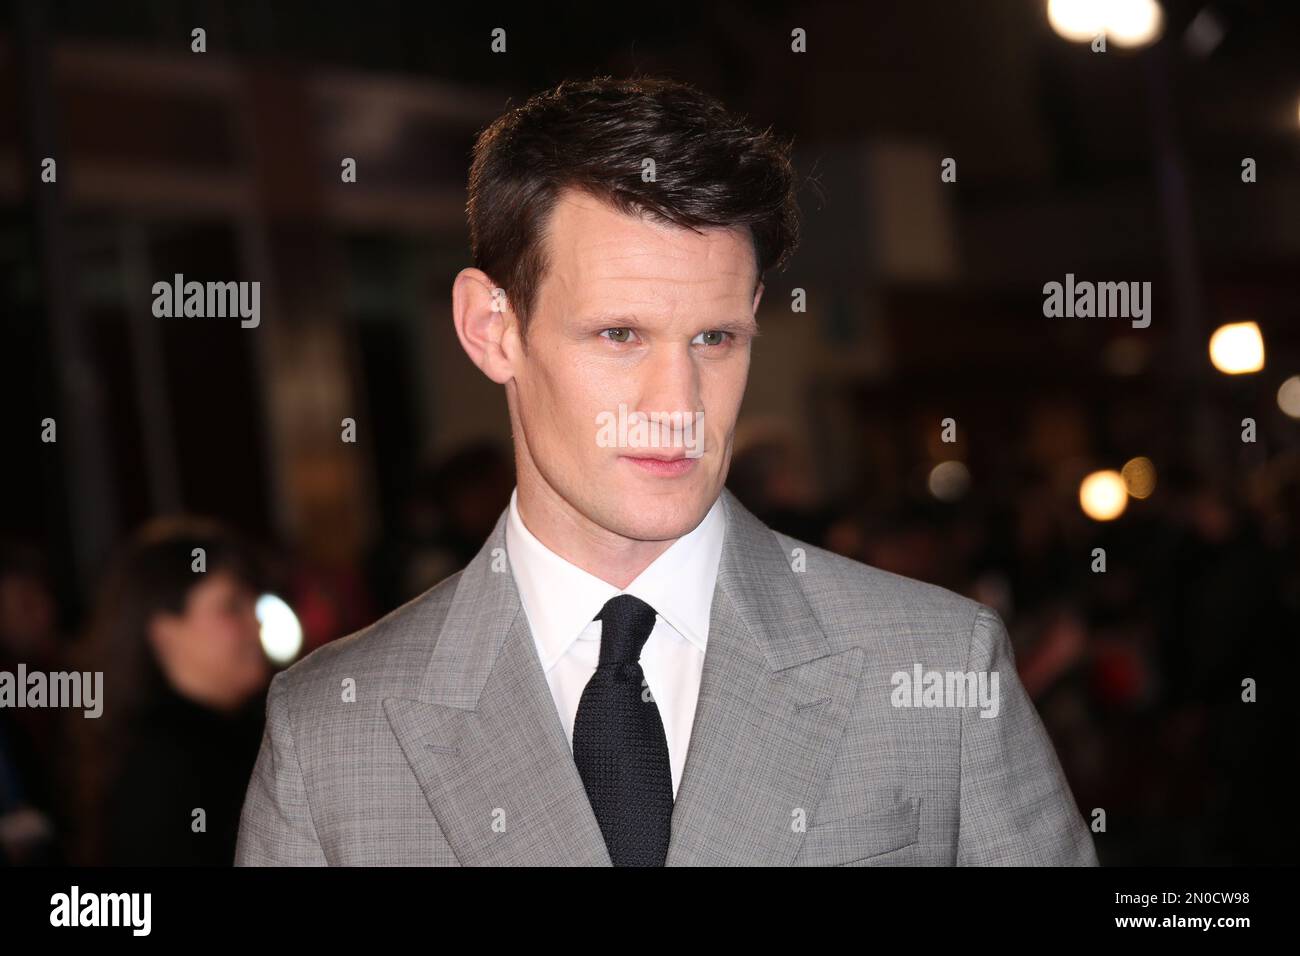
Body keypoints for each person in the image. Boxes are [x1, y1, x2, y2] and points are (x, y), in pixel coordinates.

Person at [237, 76, 1097, 866]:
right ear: (490, 329)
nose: (676, 401)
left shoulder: (939, 665)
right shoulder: (331, 732)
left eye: (714, 339)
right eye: (620, 335)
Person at [69, 518, 270, 865]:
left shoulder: (246, 730)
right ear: (164, 631)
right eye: (231, 606)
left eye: (253, 603)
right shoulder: (160, 766)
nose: (257, 622)